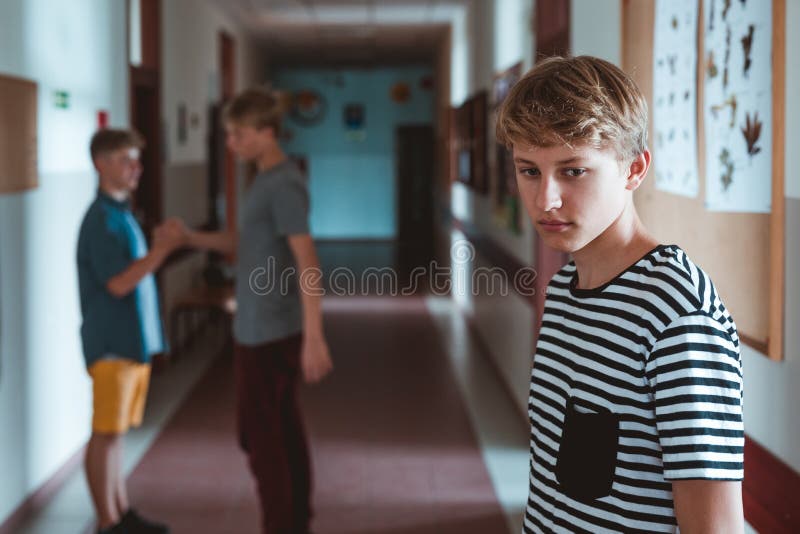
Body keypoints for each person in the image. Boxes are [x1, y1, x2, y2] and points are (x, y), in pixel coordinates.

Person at [496, 56, 744, 533]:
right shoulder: (565, 288)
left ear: (634, 169)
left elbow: (715, 526)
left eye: (573, 171)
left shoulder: (676, 311)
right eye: (529, 171)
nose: (546, 199)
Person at [181, 88, 333, 534]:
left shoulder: (283, 184)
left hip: (269, 335)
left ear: (267, 134)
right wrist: (191, 238)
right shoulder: (264, 181)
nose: (231, 143)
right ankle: (295, 521)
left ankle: (282, 525)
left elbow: (308, 260)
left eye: (239, 134)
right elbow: (244, 243)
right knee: (280, 432)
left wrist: (314, 335)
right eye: (229, 134)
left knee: (261, 439)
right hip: (258, 328)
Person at [77, 128, 183, 534]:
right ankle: (107, 522)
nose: (136, 167)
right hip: (112, 343)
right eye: (126, 159)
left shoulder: (121, 213)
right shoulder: (101, 220)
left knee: (117, 433)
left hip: (131, 342)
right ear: (100, 164)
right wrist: (160, 251)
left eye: (137, 159)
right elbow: (118, 283)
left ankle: (121, 511)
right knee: (105, 433)